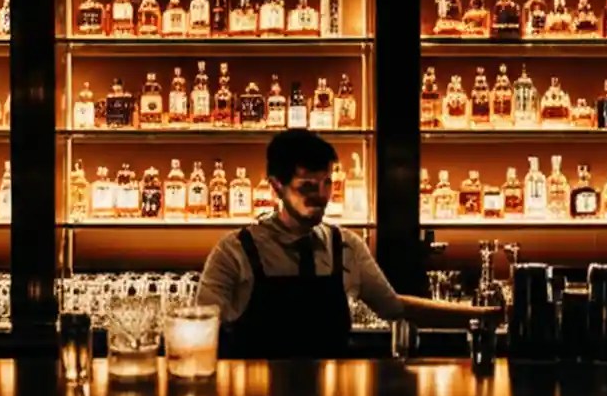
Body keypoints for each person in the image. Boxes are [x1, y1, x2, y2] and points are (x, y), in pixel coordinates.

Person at [196, 129, 498, 359]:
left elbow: (394, 306)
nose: (321, 196)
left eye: (327, 183)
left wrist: (479, 315)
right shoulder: (235, 251)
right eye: (307, 187)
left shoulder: (345, 246)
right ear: (276, 186)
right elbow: (200, 328)